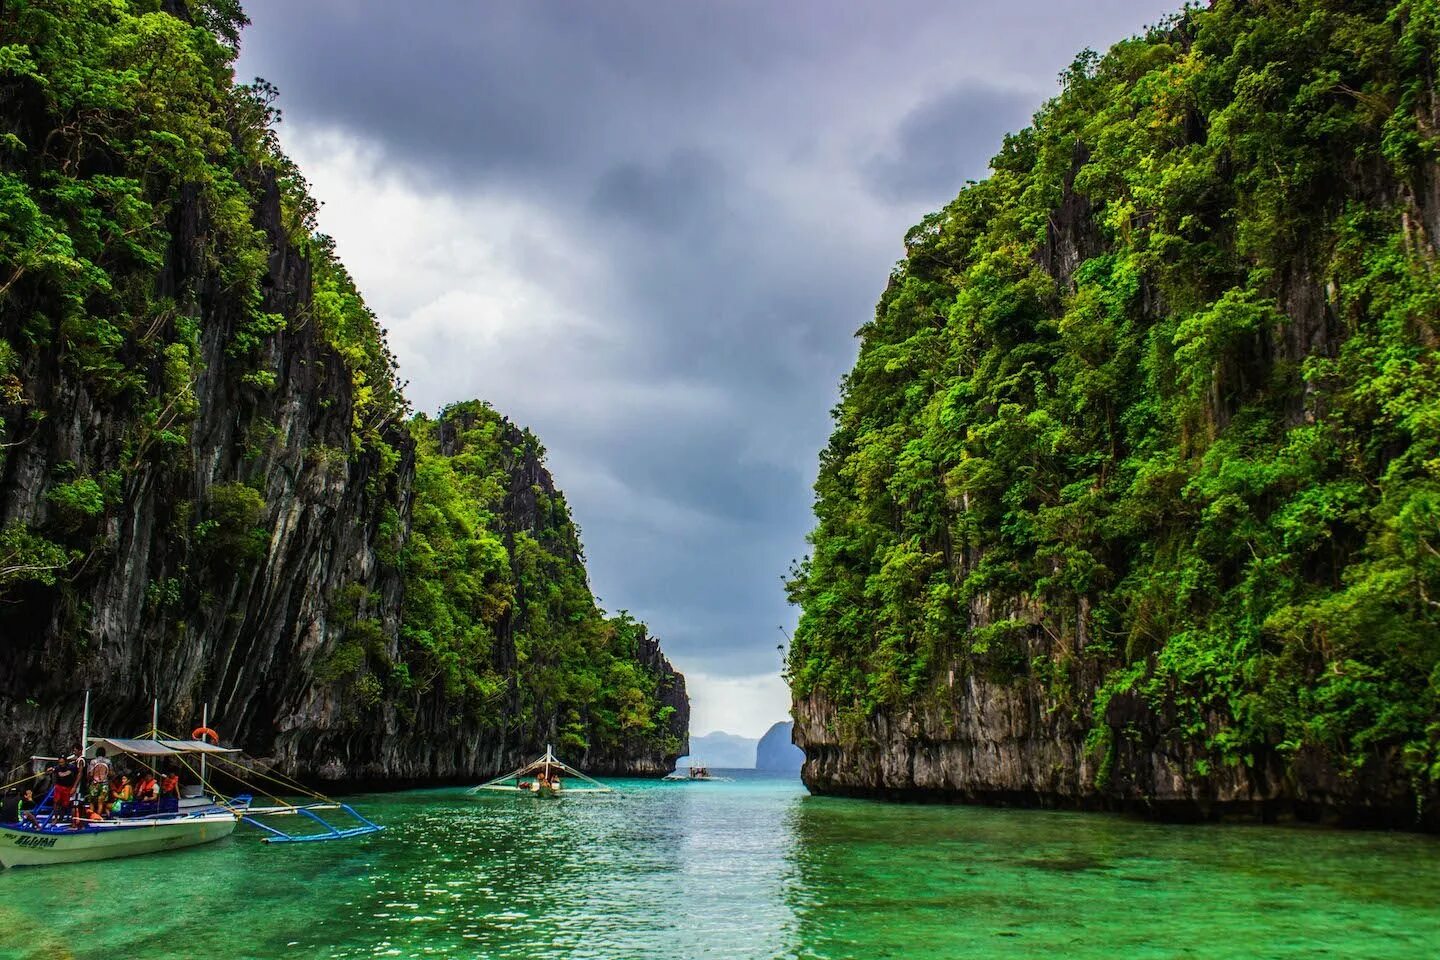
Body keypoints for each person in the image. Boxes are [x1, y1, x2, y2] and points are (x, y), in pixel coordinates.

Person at [46, 751, 81, 821]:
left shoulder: (72, 767)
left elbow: (78, 774)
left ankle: (61, 817)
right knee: (56, 802)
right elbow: (50, 771)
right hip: (59, 787)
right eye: (60, 762)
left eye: (62, 762)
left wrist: (74, 787)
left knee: (65, 804)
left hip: (68, 787)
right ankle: (55, 818)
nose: (61, 764)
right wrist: (49, 770)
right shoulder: (57, 768)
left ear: (65, 761)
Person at [86, 747, 112, 817]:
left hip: (95, 783)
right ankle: (98, 816)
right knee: (101, 802)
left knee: (92, 802)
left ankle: (92, 817)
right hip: (104, 783)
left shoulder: (93, 762)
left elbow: (91, 773)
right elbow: (110, 773)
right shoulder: (108, 761)